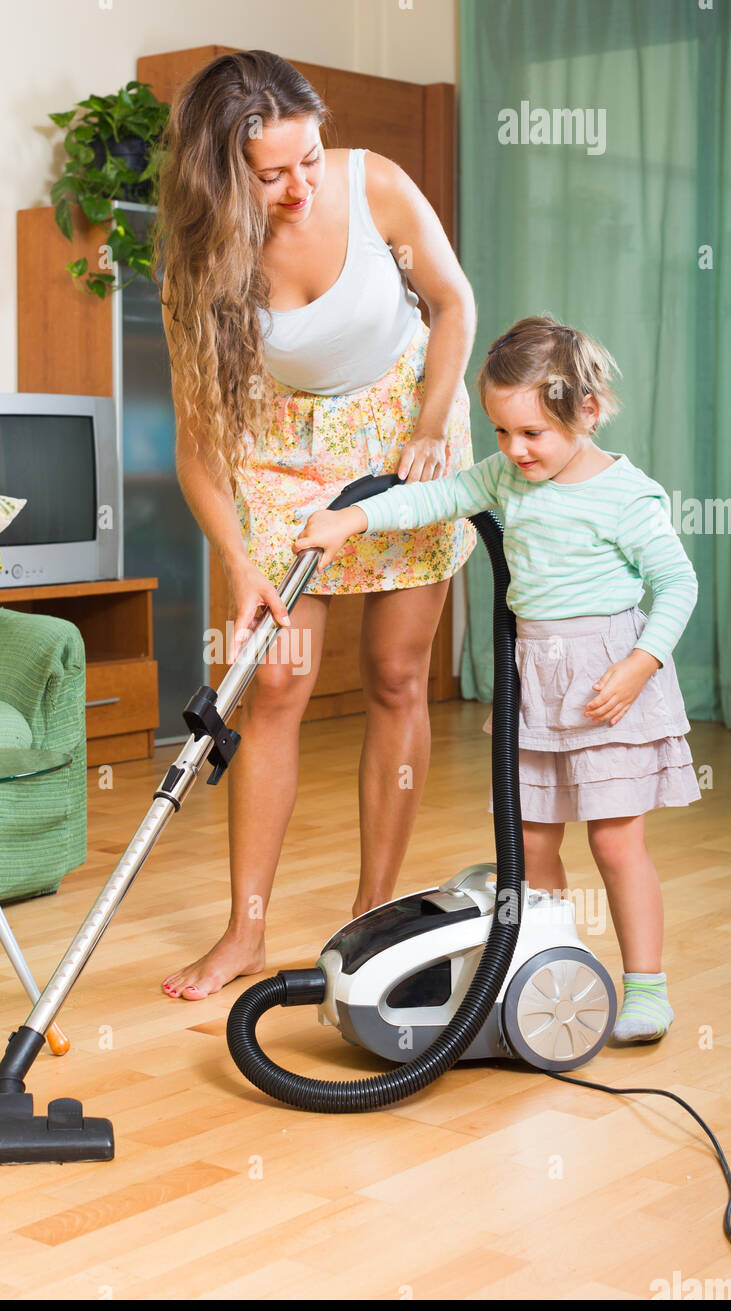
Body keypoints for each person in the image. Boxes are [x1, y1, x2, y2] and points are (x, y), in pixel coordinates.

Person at [151, 50, 478, 999]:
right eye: (271, 173)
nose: (299, 186)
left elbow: (452, 304)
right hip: (278, 445)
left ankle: (371, 919)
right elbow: (198, 449)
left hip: (403, 427)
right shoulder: (201, 260)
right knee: (276, 686)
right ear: (223, 174)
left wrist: (425, 427)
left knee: (394, 675)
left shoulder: (371, 184)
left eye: (309, 158)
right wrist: (241, 561)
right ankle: (244, 932)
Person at [295, 314, 700, 1043]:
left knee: (613, 842)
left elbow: (676, 586)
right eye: (500, 432)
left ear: (587, 410)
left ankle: (645, 986)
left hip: (610, 682)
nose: (514, 450)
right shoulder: (504, 477)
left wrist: (641, 663)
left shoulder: (627, 495)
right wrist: (347, 520)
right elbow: (431, 499)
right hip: (533, 687)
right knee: (531, 848)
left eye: (531, 434)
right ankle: (544, 968)